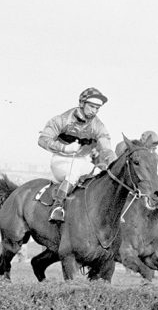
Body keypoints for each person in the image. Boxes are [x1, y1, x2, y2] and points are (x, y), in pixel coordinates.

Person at [37, 87, 117, 222]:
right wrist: (65, 148)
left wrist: (113, 162)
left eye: (97, 108)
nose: (94, 111)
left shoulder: (98, 126)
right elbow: (43, 139)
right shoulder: (61, 120)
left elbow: (106, 148)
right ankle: (57, 207)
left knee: (102, 178)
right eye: (91, 106)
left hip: (83, 161)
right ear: (81, 103)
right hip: (61, 160)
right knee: (73, 173)